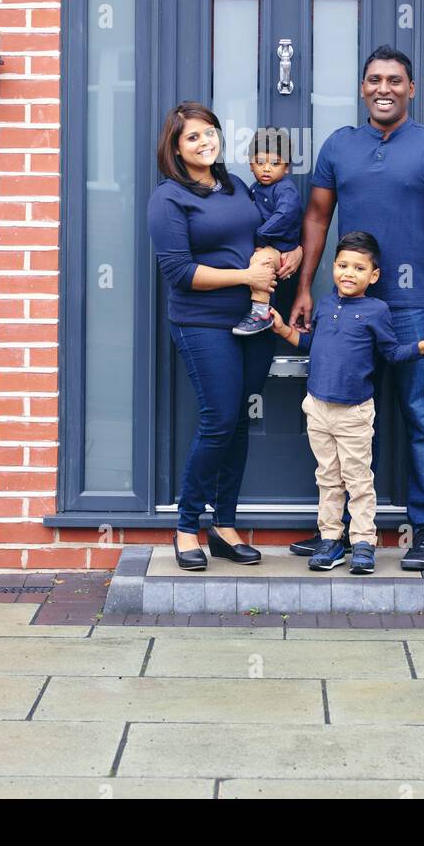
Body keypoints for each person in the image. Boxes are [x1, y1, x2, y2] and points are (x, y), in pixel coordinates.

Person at [289, 45, 424, 572]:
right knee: (335, 416)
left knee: (420, 414)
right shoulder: (339, 146)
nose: (383, 88)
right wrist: (304, 288)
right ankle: (337, 533)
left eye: (394, 80)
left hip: (416, 305)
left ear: (411, 89)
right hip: (349, 307)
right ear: (362, 88)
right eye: (374, 80)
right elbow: (317, 221)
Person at [146, 102, 302, 572]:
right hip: (202, 323)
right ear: (175, 147)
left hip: (254, 322)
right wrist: (246, 277)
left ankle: (225, 524)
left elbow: (264, 237)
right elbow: (178, 272)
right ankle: (187, 525)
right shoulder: (169, 198)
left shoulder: (236, 186)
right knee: (217, 420)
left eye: (210, 132)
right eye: (192, 137)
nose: (205, 141)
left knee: (237, 422)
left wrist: (285, 252)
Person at [271, 231, 424, 576]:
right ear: (333, 267)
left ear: (374, 276)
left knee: (357, 480)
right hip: (318, 408)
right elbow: (309, 344)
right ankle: (331, 540)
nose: (348, 273)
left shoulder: (377, 310)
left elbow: (391, 352)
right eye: (342, 265)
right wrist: (282, 329)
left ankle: (364, 542)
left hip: (353, 412)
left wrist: (423, 346)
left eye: (358, 267)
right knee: (327, 478)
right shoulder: (324, 305)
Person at [232, 127, 303, 337]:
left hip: (279, 249)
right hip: (265, 245)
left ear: (286, 167)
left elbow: (284, 215)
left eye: (275, 163)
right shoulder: (253, 188)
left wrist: (260, 235)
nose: (266, 168)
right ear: (250, 163)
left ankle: (261, 312)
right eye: (260, 162)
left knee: (261, 262)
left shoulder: (285, 189)